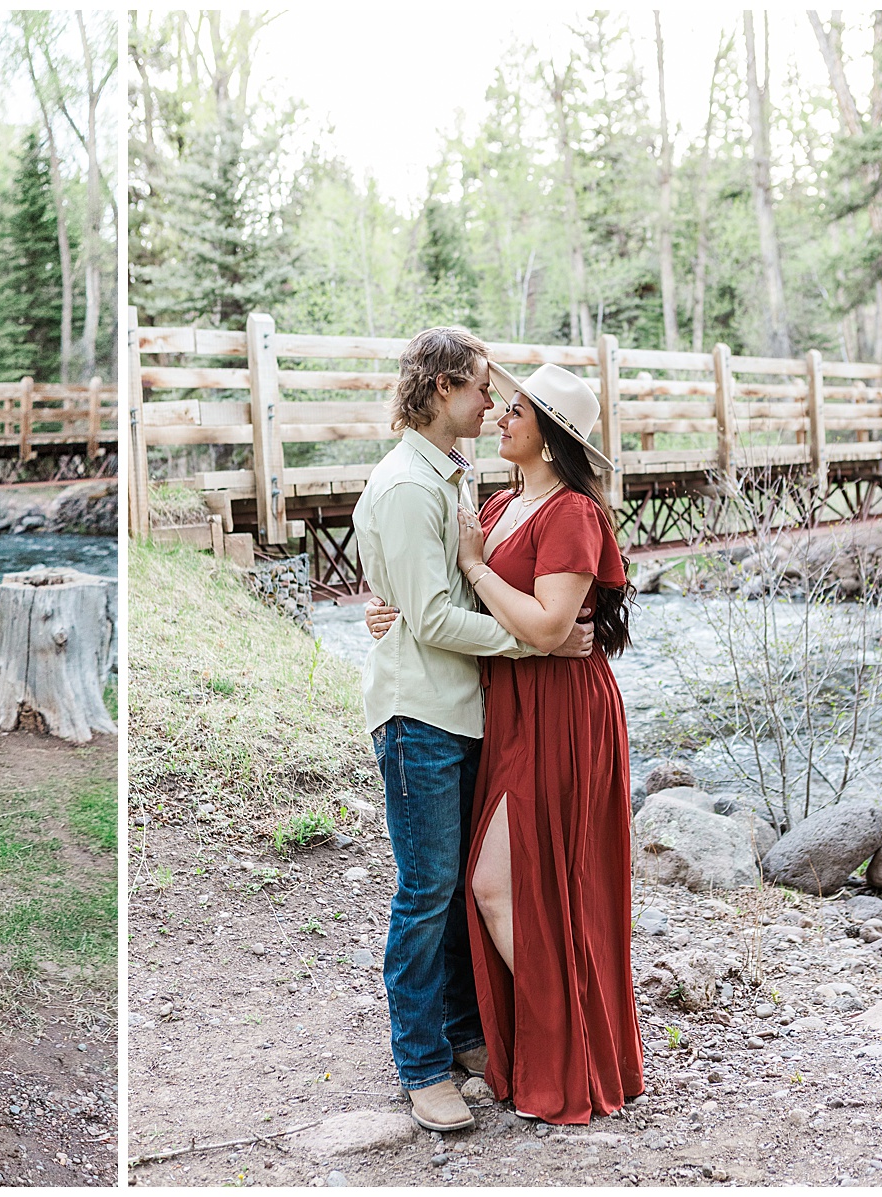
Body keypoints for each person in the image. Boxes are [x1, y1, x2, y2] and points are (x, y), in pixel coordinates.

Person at [349, 328, 592, 1133]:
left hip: (464, 708)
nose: (492, 403)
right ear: (444, 386)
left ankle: (461, 1036)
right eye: (484, 388)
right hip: (421, 714)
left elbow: (427, 584)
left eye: (500, 395)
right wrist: (535, 640)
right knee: (426, 892)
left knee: (455, 889)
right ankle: (422, 1065)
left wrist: (389, 597)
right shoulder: (410, 486)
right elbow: (432, 613)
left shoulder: (450, 477)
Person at [451, 361, 644, 1124]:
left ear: (552, 433)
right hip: (512, 707)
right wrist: (391, 613)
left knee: (504, 884)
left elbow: (544, 626)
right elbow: (480, 615)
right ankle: (555, 1048)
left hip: (564, 714)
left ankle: (568, 1059)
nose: (499, 415)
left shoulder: (572, 514)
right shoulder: (498, 503)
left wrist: (474, 565)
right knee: (516, 885)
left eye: (518, 410)